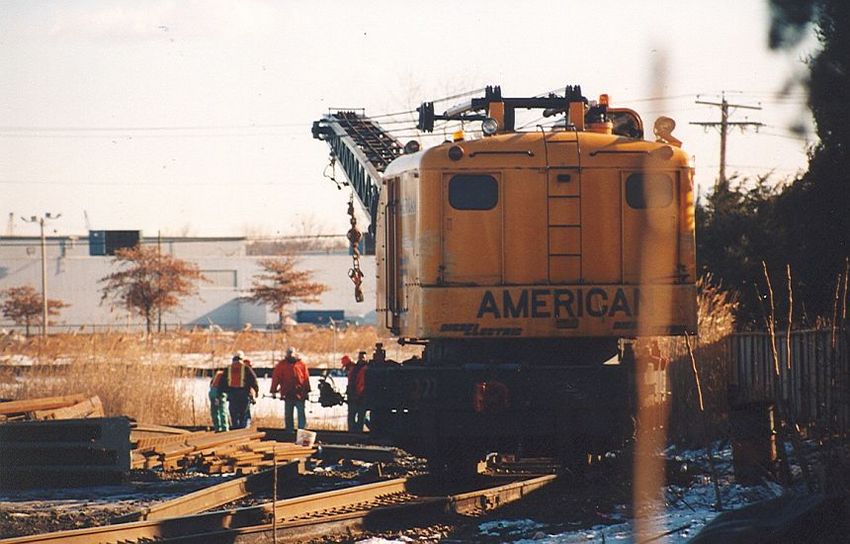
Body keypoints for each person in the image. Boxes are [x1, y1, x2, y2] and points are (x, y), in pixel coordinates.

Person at [271, 347, 311, 430]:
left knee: (301, 413)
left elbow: (306, 378)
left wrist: (307, 390)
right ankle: (289, 431)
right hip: (287, 393)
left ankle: (302, 430)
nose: (290, 355)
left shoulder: (301, 364)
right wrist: (273, 390)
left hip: (299, 393)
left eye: (291, 353)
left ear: (295, 354)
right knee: (288, 414)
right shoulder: (282, 365)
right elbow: (276, 378)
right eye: (289, 353)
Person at [224, 351, 259, 429]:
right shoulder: (246, 368)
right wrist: (256, 392)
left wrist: (223, 393)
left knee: (234, 415)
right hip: (244, 394)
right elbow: (253, 380)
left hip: (232, 394)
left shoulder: (228, 368)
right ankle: (244, 431)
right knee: (244, 415)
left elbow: (223, 382)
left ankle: (235, 430)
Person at [346, 351, 369, 432]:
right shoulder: (355, 368)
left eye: (363, 357)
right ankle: (353, 432)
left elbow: (362, 383)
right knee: (353, 416)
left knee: (360, 416)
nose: (361, 359)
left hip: (361, 396)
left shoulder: (366, 368)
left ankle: (357, 432)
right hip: (354, 395)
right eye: (360, 357)